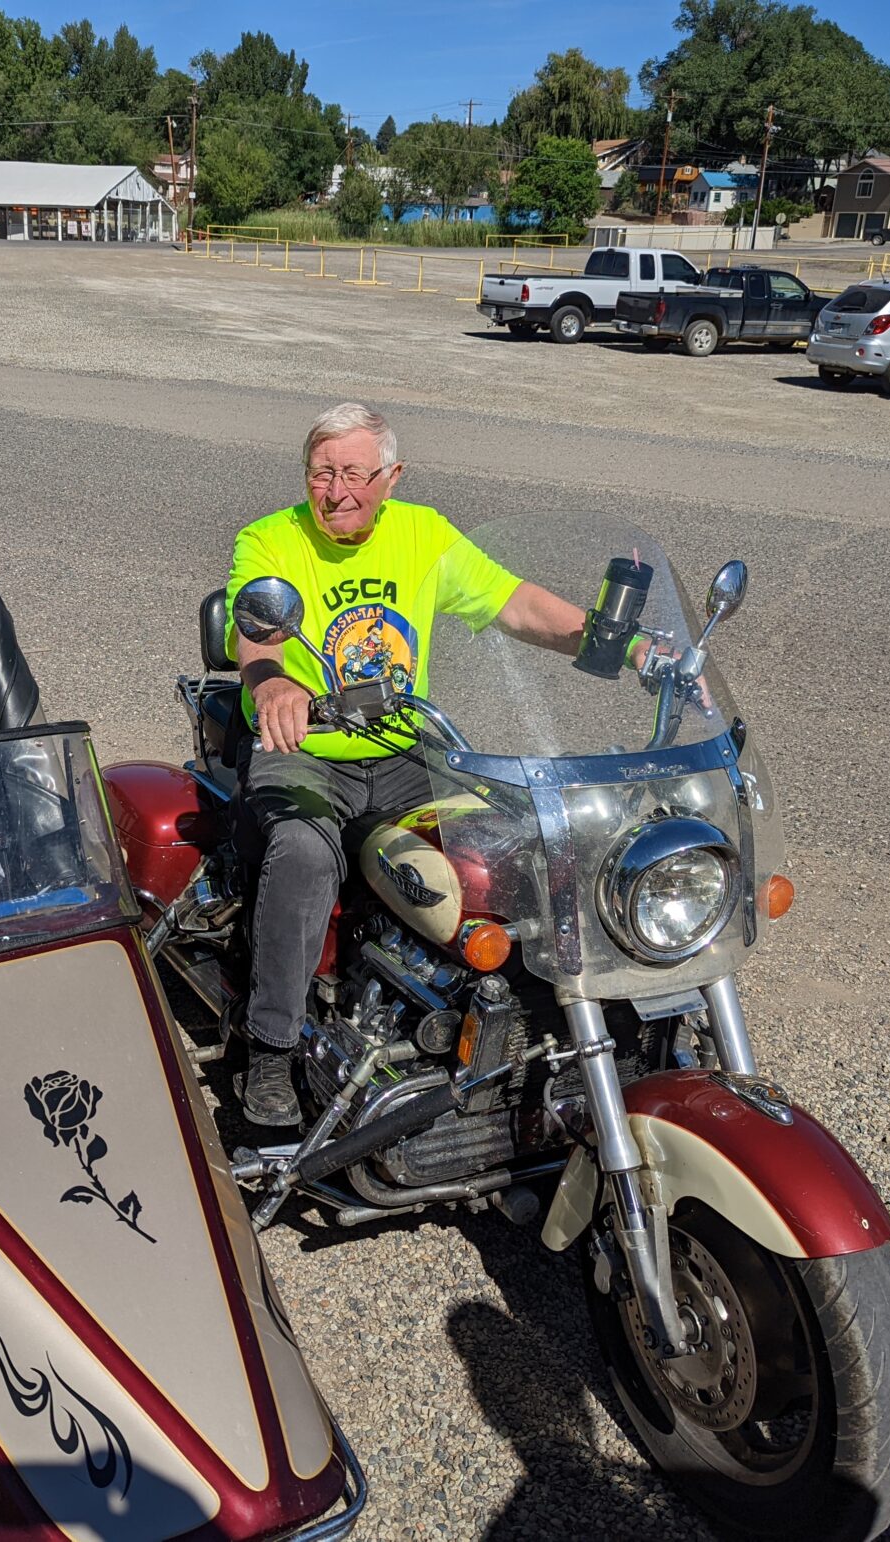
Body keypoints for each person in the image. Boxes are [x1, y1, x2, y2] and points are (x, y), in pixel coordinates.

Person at [225, 404, 593, 1125]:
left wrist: (620, 642)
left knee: (512, 841)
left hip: (403, 751)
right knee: (304, 852)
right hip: (306, 754)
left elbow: (516, 603)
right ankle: (268, 1049)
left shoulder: (423, 534)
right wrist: (272, 687)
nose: (336, 492)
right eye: (321, 473)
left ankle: (532, 1019)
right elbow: (258, 639)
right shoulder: (268, 539)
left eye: (354, 474)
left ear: (392, 477)